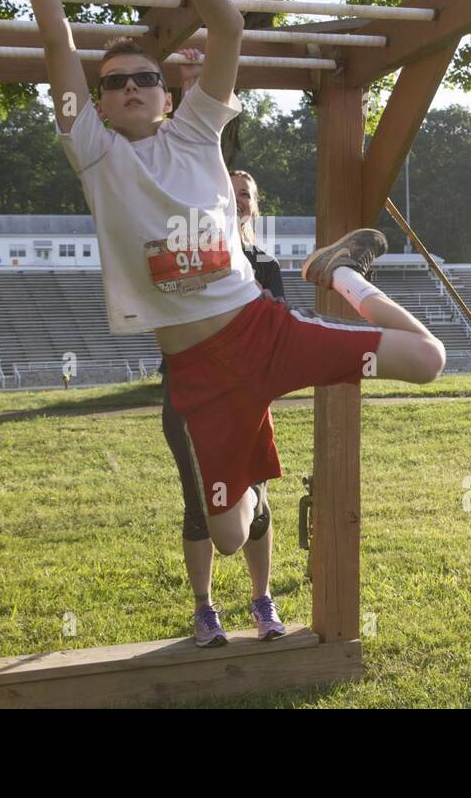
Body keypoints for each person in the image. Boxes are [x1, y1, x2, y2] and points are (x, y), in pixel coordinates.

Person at [7, 0, 445, 643]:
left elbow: (229, 28)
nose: (133, 86)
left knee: (430, 358)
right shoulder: (95, 155)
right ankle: (247, 474)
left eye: (145, 76)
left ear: (166, 95)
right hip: (202, 376)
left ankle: (336, 276)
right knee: (231, 534)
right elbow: (53, 42)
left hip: (262, 328)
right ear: (98, 105)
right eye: (113, 82)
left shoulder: (196, 132)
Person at [160, 126, 287, 643]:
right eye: (228, 194)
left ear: (255, 207)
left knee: (256, 501)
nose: (236, 202)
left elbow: (277, 338)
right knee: (200, 506)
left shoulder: (266, 266)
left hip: (246, 402)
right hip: (189, 401)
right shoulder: (190, 256)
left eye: (245, 196)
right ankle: (204, 609)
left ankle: (262, 601)